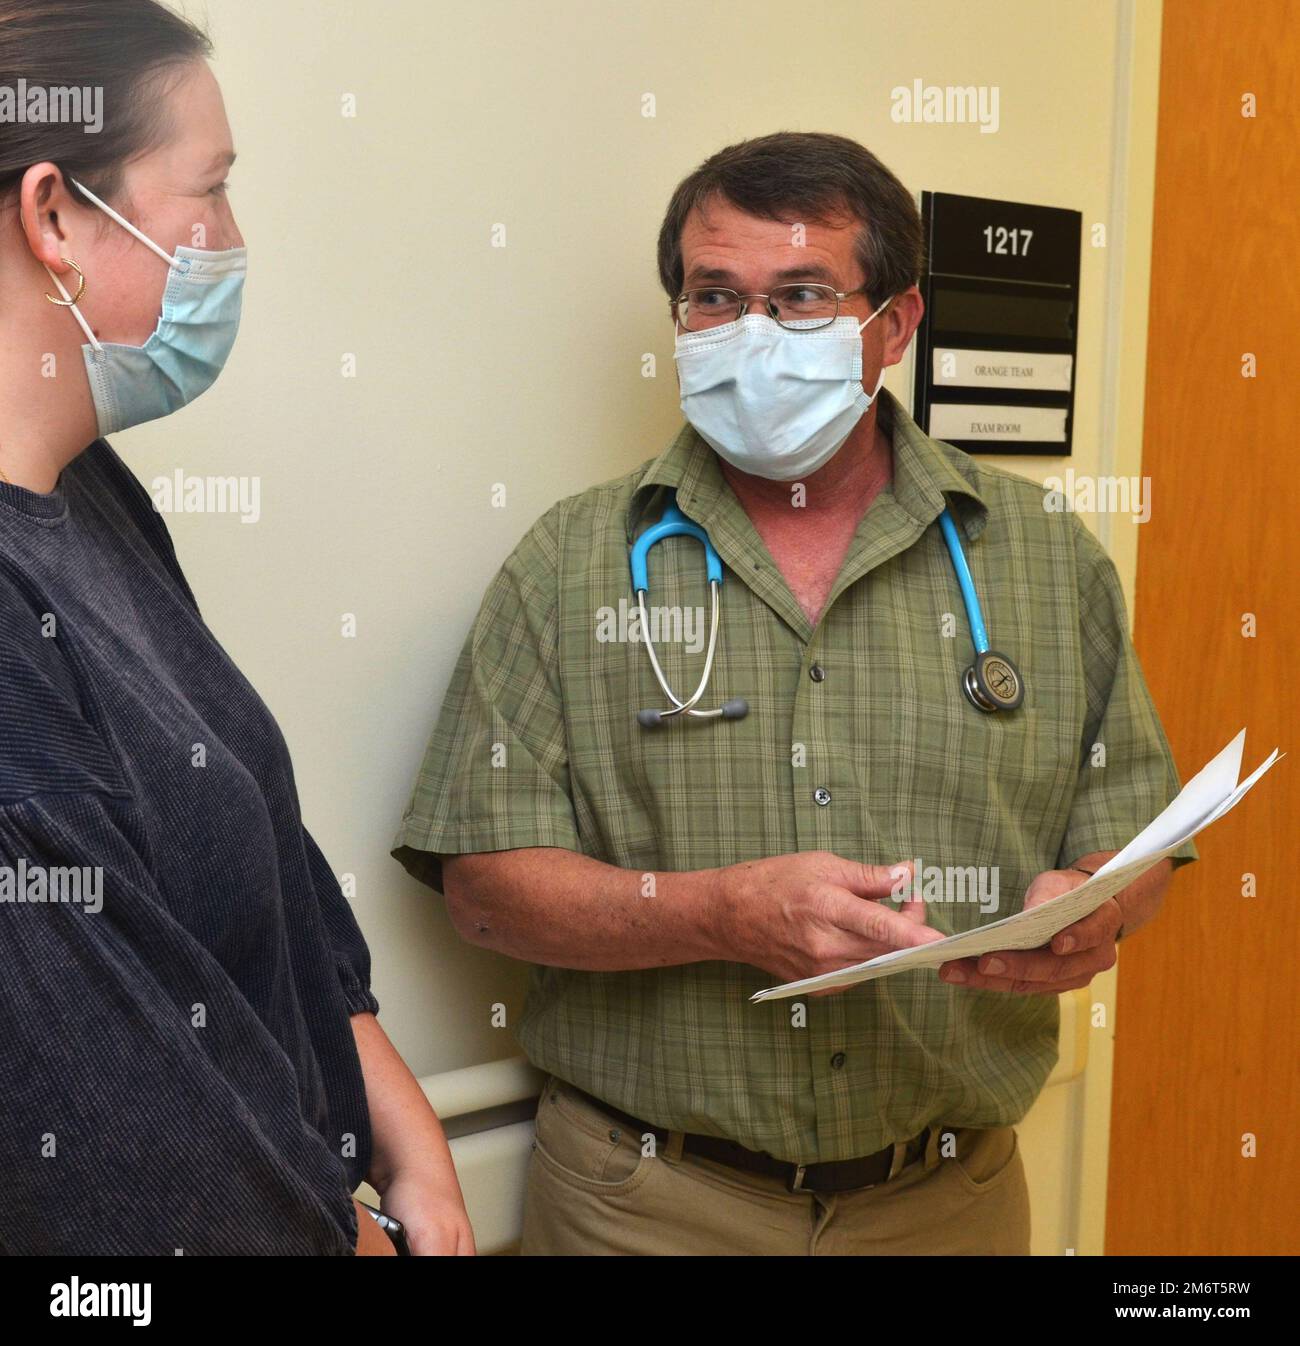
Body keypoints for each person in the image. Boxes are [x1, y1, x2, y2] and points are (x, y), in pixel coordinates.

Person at [391, 130, 1197, 1256]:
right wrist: (719, 913)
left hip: (949, 1204)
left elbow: (1141, 835)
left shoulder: (1043, 560)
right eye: (714, 296)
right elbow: (481, 888)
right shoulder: (570, 564)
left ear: (896, 324)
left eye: (802, 296)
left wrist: (1097, 906)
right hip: (649, 1205)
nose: (752, 334)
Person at [0, 0, 472, 1255]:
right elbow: (133, 1173)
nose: (232, 242)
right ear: (55, 215)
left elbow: (263, 846)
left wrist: (412, 1152)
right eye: (207, 192)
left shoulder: (92, 499)